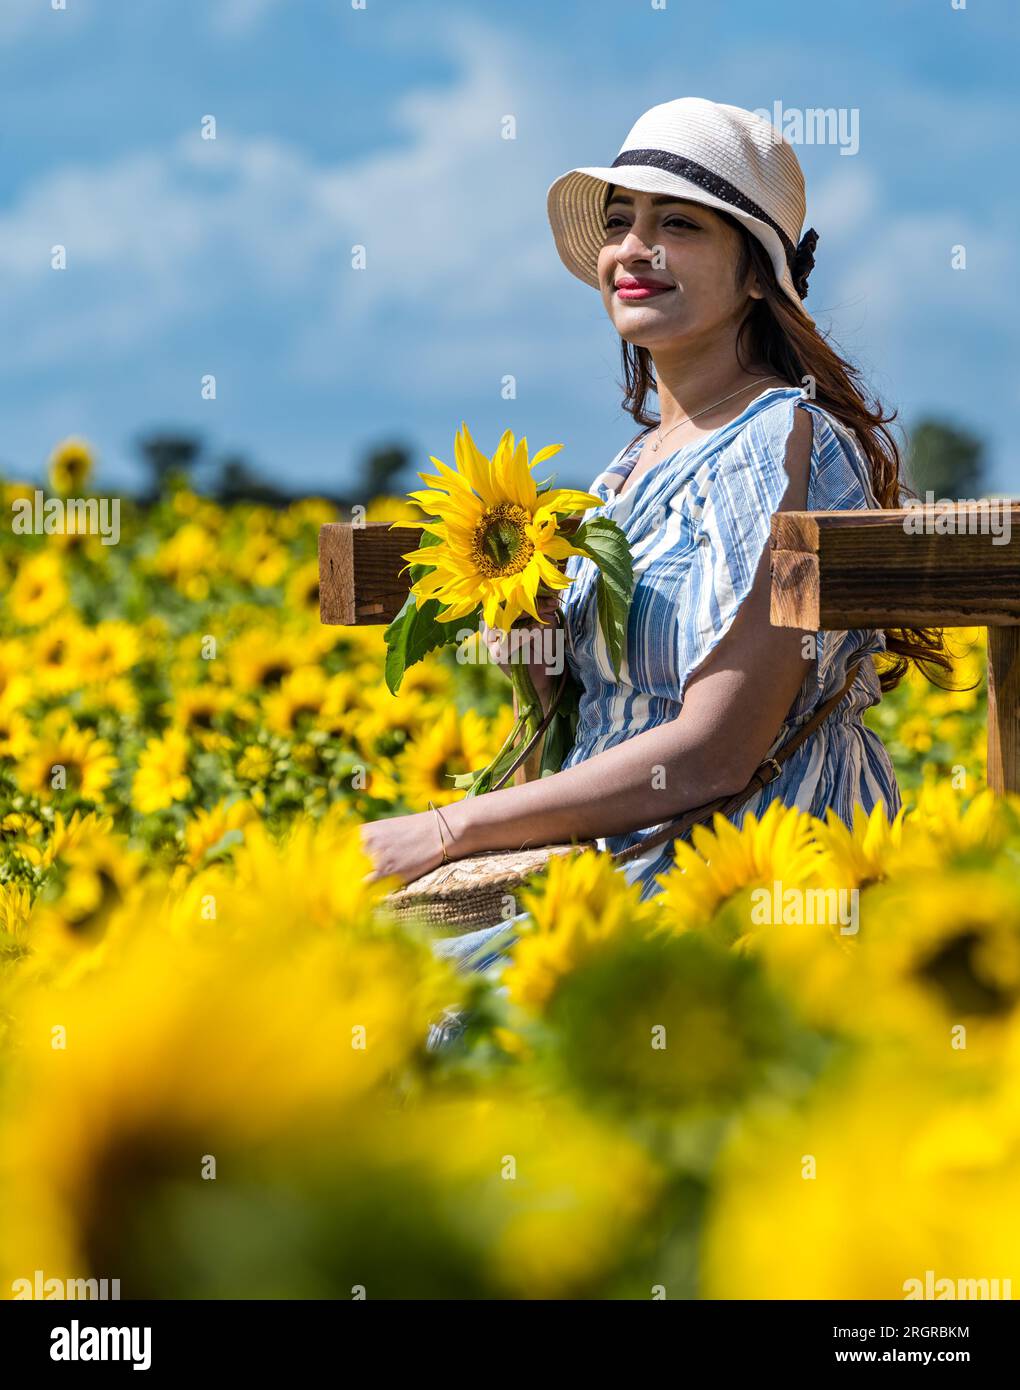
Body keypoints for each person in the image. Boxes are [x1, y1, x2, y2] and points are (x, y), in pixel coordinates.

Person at [359, 97, 949, 997]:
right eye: (620, 222)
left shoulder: (778, 441)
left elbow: (718, 748)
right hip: (623, 862)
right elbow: (613, 716)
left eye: (678, 224)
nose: (634, 248)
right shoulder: (625, 473)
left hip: (749, 878)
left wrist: (447, 828)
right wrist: (537, 644)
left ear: (758, 275)